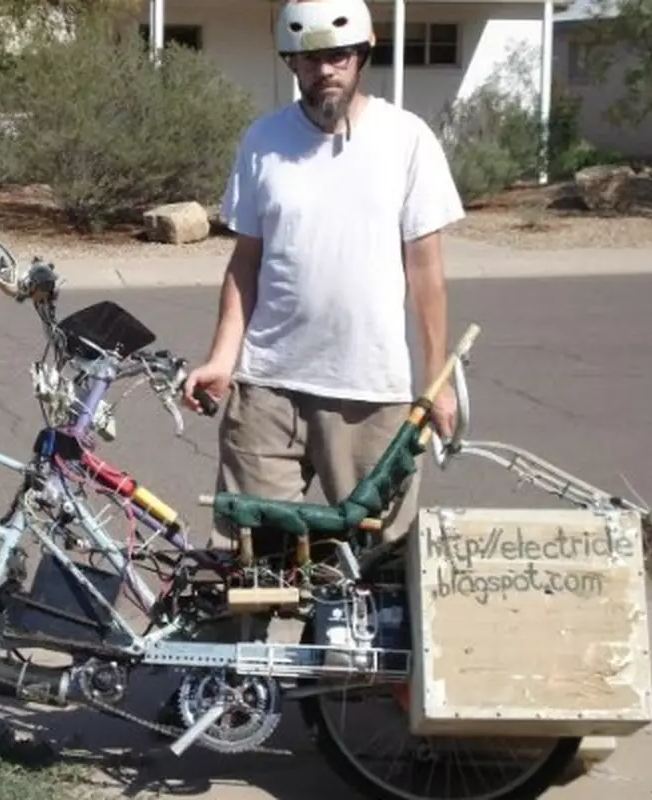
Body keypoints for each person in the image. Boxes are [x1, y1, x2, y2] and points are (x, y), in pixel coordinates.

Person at [154, 0, 466, 737]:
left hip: (374, 392)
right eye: (307, 57)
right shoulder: (263, 143)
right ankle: (237, 698)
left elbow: (426, 272)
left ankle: (412, 718)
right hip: (268, 386)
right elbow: (246, 263)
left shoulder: (407, 140)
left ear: (364, 53)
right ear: (289, 62)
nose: (323, 70)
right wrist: (223, 359)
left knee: (380, 566)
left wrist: (437, 377)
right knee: (257, 563)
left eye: (338, 55)